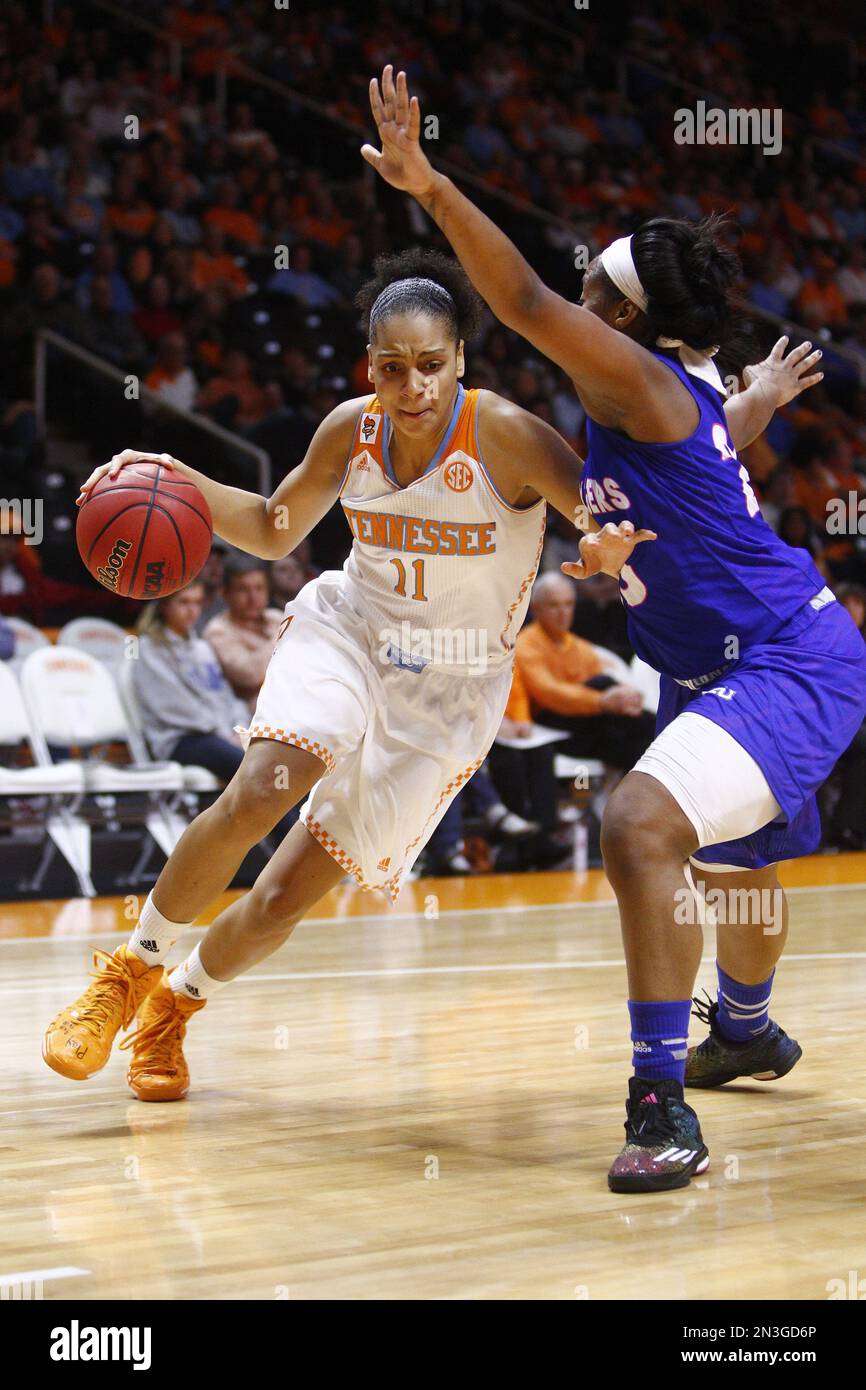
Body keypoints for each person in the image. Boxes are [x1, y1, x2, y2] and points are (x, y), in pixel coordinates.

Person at [362, 66, 866, 1193]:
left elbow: (522, 306)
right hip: (715, 664)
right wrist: (758, 407)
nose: (574, 288)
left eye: (592, 281)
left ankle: (659, 1104)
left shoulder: (633, 381)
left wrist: (431, 187)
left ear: (623, 319)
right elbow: (703, 439)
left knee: (636, 824)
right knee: (734, 867)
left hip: (785, 656)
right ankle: (743, 1028)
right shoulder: (664, 389)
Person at [42, 249, 646, 1102]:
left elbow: (604, 513)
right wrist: (169, 475)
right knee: (264, 784)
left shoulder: (505, 432)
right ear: (372, 367)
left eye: (432, 366)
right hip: (353, 632)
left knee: (286, 895)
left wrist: (601, 544)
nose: (413, 387)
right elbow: (270, 526)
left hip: (449, 690)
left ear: (461, 360)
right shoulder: (349, 429)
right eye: (392, 369)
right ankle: (127, 975)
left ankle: (176, 1008)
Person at [516, 572, 655, 771]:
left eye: (568, 604)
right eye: (554, 605)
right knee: (605, 688)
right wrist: (601, 701)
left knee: (634, 733)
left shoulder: (578, 646)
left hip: (585, 720)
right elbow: (549, 693)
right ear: (536, 609)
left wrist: (623, 697)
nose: (563, 613)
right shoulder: (525, 644)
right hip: (547, 724)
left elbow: (603, 683)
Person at [202, 556, 283, 712]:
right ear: (225, 593)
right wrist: (284, 636)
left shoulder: (277, 617)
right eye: (243, 589)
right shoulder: (218, 631)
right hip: (250, 713)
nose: (253, 597)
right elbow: (251, 674)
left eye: (259, 588)